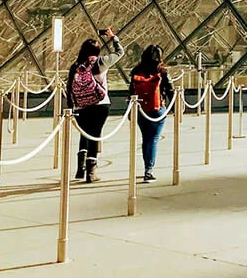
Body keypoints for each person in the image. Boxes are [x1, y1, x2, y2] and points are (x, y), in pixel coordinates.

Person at [67, 28, 124, 183]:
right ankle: (91, 172)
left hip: (81, 105)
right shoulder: (100, 62)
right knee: (95, 135)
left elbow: (69, 87)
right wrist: (113, 37)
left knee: (84, 134)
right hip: (100, 104)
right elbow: (120, 52)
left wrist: (71, 106)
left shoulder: (76, 66)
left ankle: (80, 169)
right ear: (97, 51)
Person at [129, 44, 174, 182]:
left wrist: (130, 110)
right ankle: (148, 170)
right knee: (153, 139)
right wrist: (175, 107)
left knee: (146, 139)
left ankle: (147, 167)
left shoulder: (136, 71)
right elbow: (171, 90)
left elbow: (131, 91)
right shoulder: (162, 71)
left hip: (140, 108)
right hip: (157, 109)